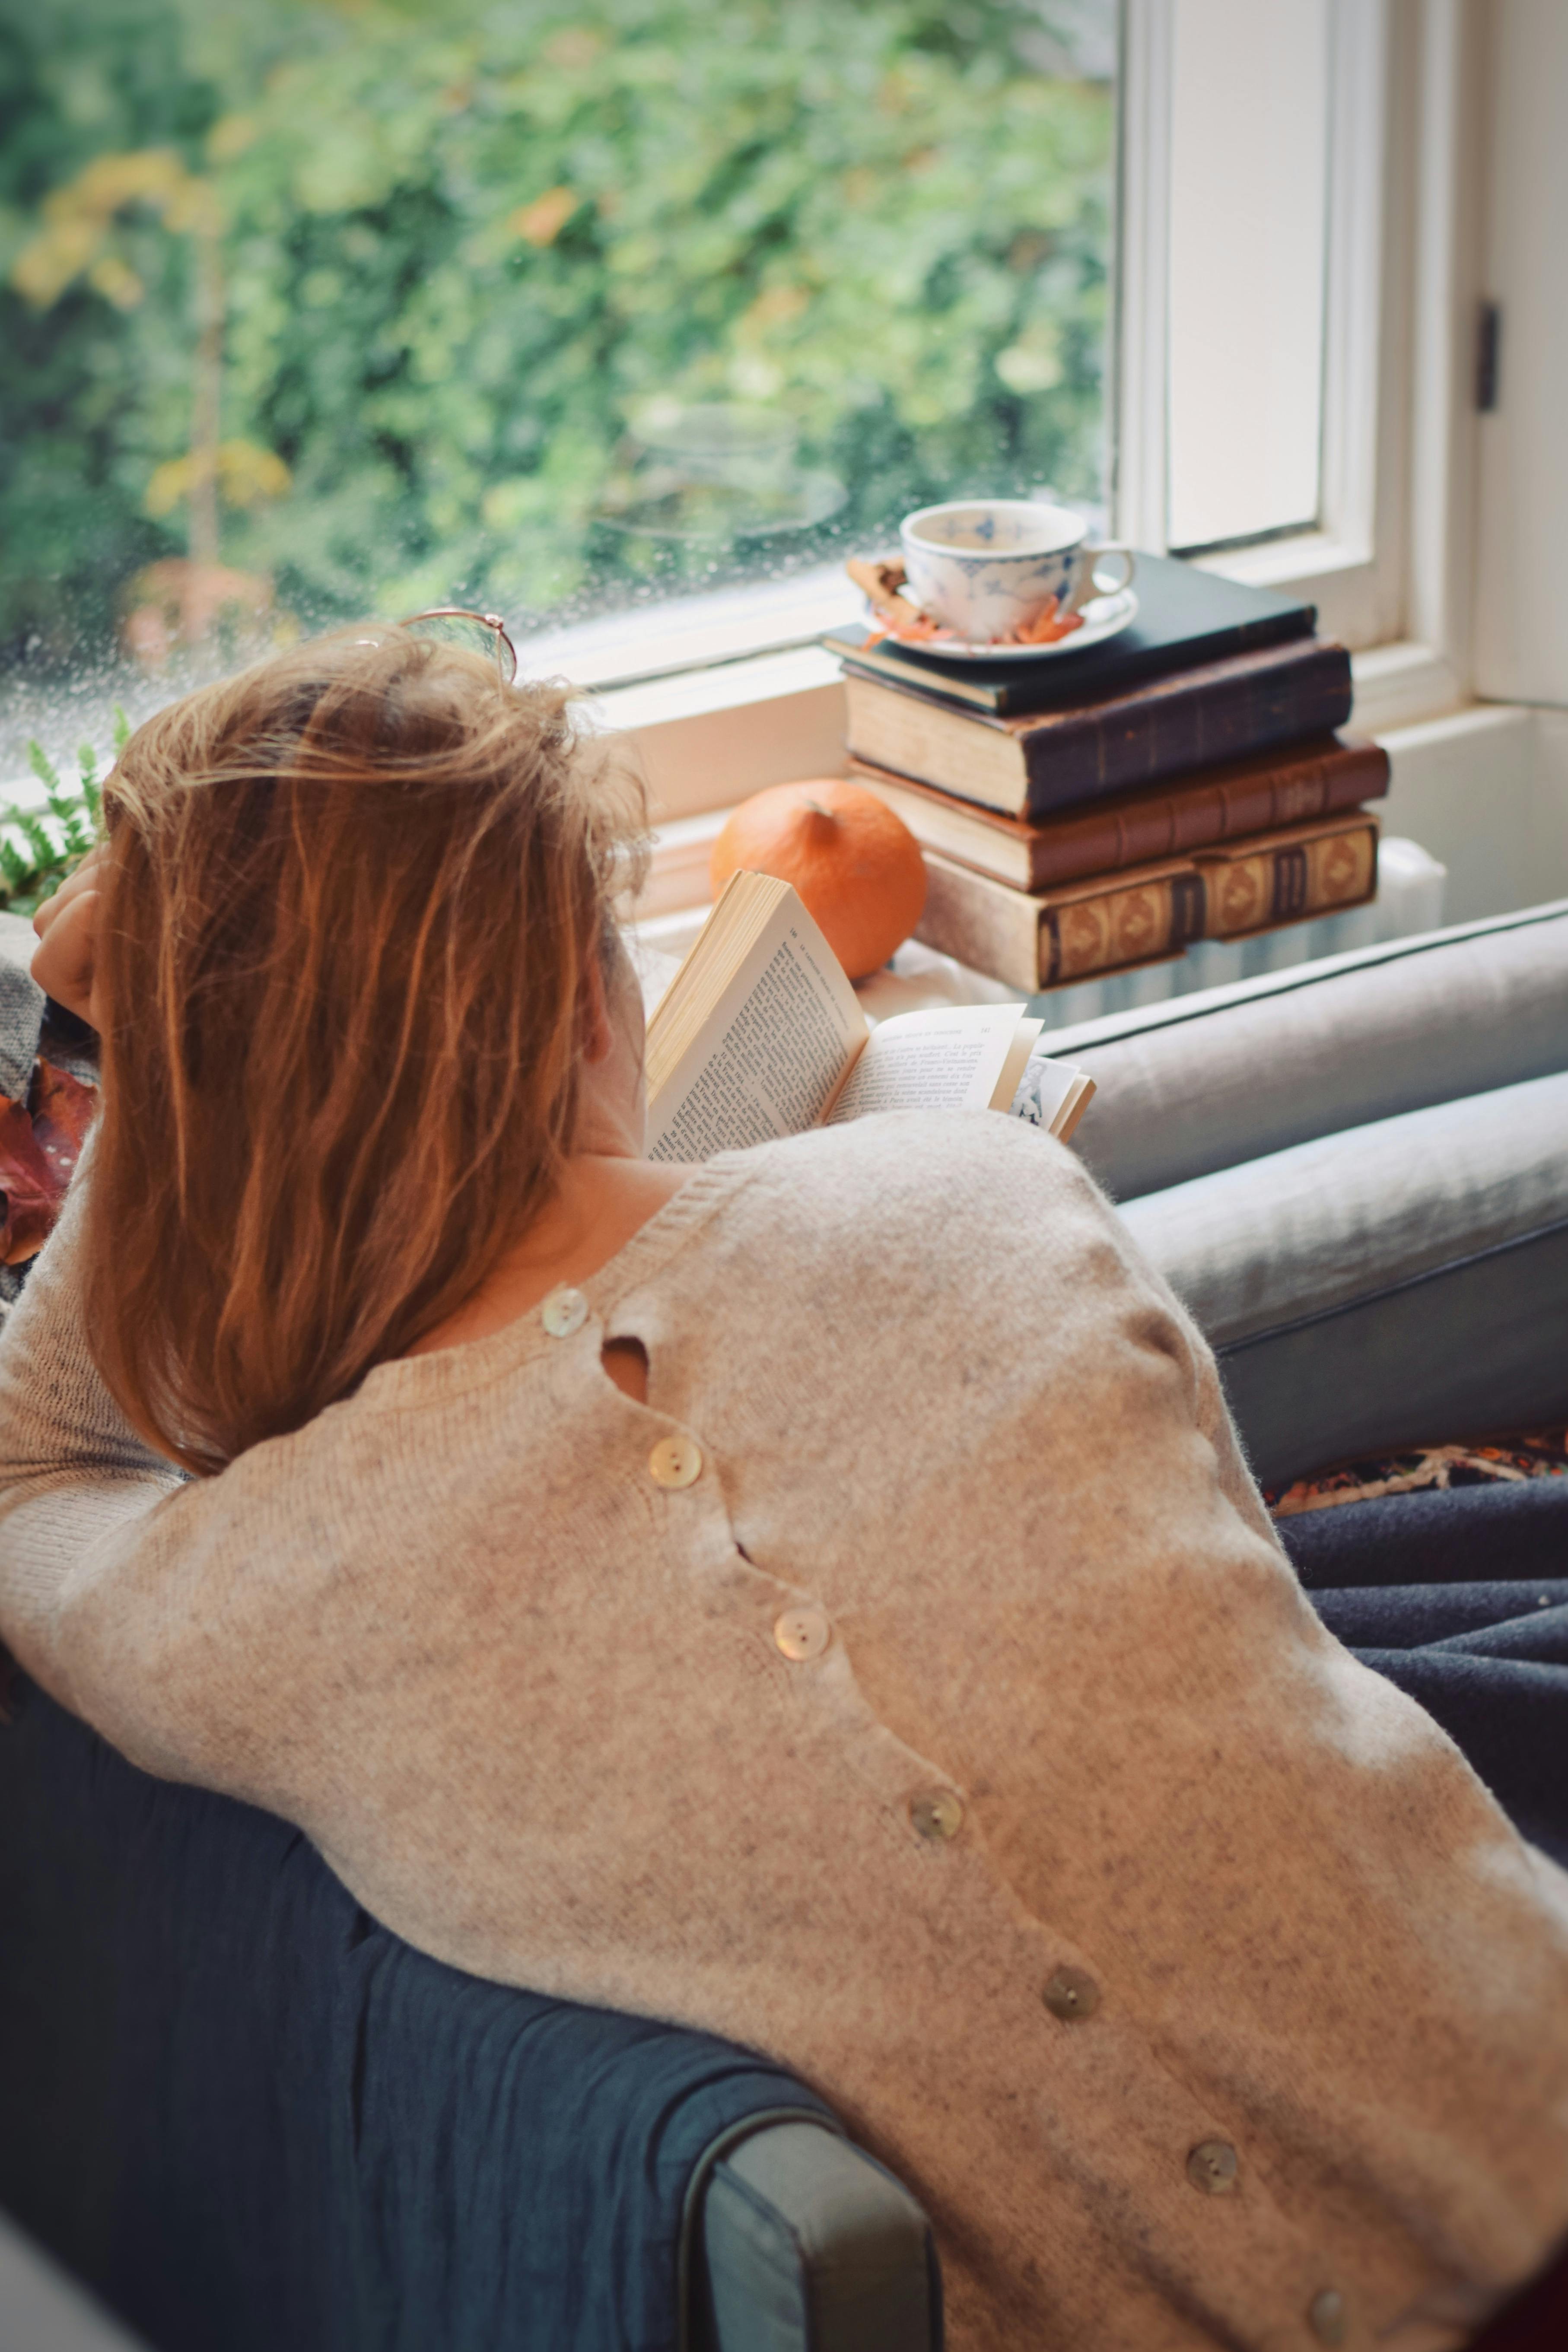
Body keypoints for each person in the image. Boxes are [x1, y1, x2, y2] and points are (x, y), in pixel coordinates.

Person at [0, 624, 1566, 2352]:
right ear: (590, 996)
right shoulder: (981, 1196)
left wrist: (172, 1065)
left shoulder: (263, 1600)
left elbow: (24, 1466)